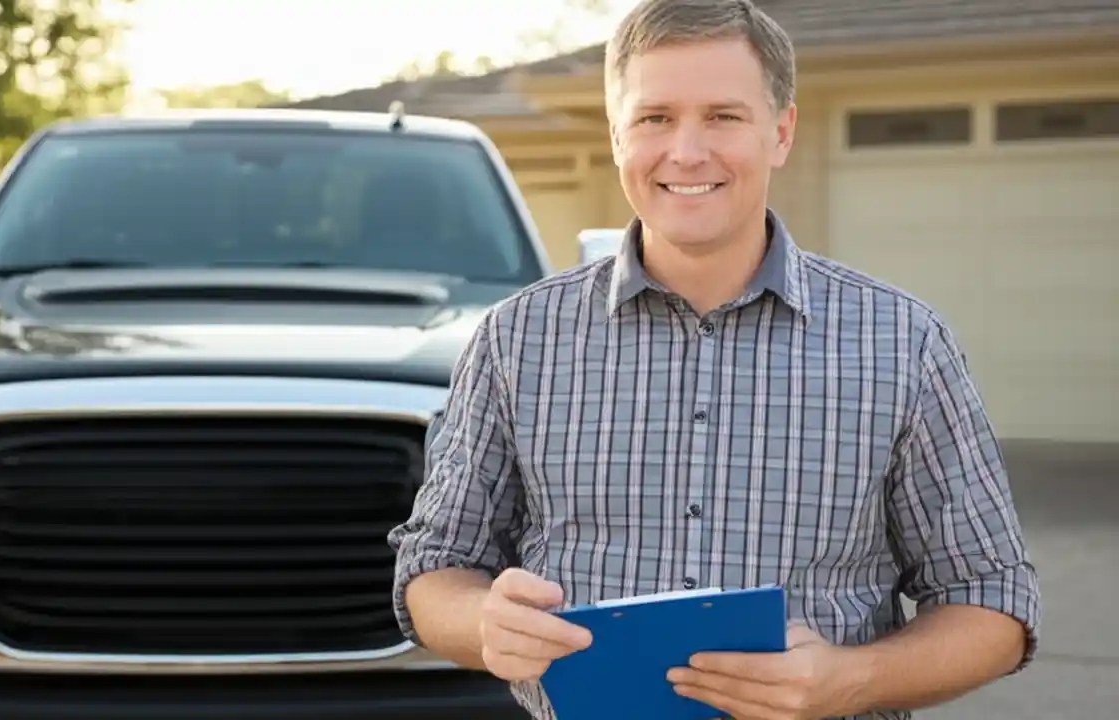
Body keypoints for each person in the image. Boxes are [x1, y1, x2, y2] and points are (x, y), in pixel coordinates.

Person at [386, 1, 1042, 718]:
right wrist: (483, 624)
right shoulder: (517, 338)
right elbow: (432, 568)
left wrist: (852, 679)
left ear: (780, 132)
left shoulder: (904, 343)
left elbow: (993, 603)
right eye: (654, 118)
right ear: (616, 135)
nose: (687, 152)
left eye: (723, 116)